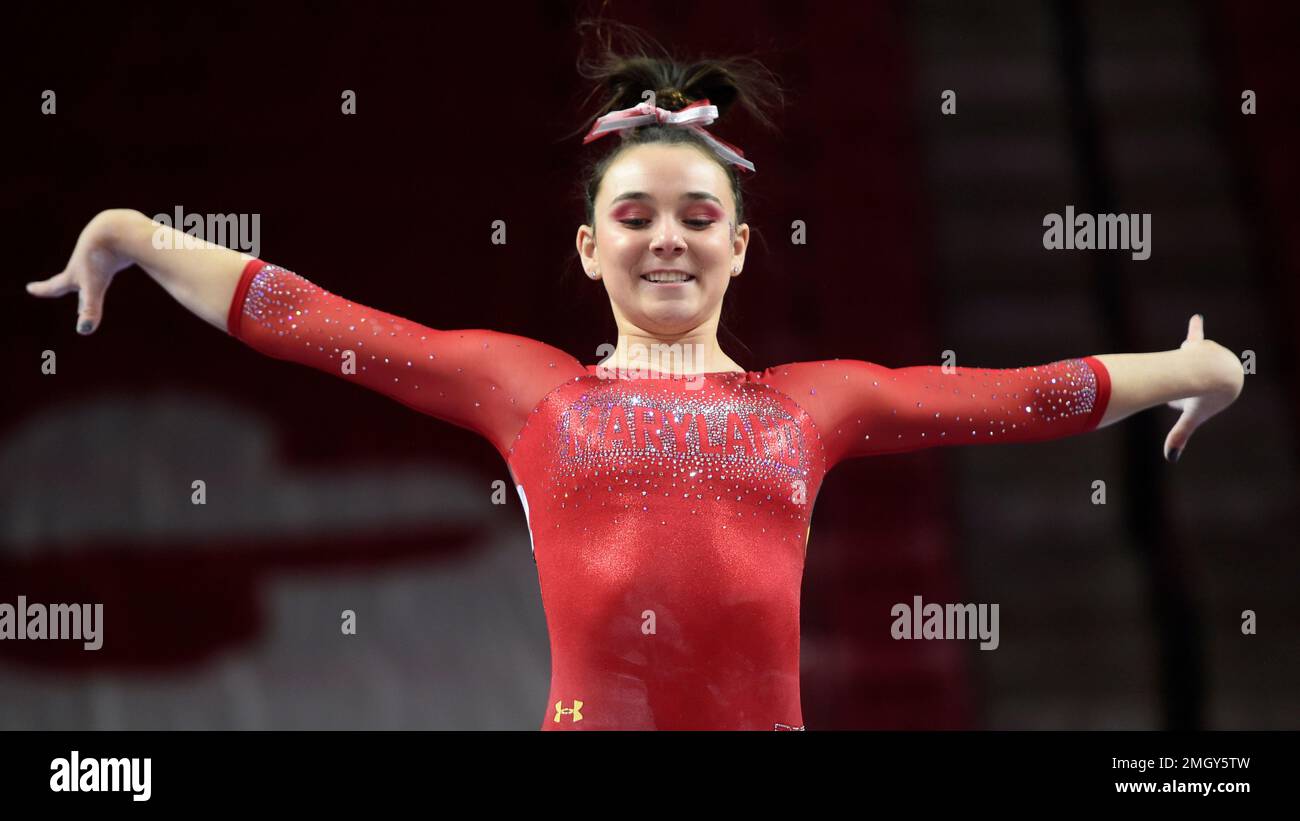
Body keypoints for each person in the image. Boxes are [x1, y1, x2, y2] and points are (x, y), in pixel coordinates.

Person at [25, 40, 1244, 730]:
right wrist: (140, 231)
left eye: (699, 215)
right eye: (637, 214)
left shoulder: (812, 405)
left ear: (742, 246)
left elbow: (1018, 396)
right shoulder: (528, 391)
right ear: (588, 245)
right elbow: (319, 323)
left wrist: (1190, 365)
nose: (669, 236)